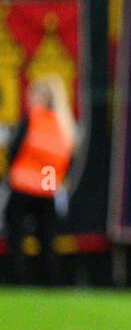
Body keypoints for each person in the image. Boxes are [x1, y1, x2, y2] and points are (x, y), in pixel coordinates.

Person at [4, 75, 76, 285]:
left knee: (16, 235)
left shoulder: (34, 118)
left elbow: (15, 149)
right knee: (47, 239)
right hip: (48, 187)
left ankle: (19, 280)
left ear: (42, 97)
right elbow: (67, 160)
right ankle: (51, 283)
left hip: (24, 185)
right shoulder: (63, 124)